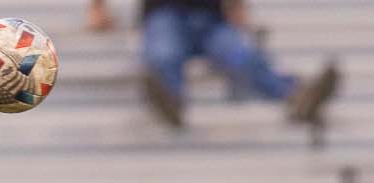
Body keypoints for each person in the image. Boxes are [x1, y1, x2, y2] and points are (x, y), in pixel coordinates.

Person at [111, 0, 342, 129]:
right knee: (164, 55)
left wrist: (236, 5)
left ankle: (296, 96)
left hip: (209, 19)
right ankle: (170, 102)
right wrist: (98, 7)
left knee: (242, 57)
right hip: (164, 14)